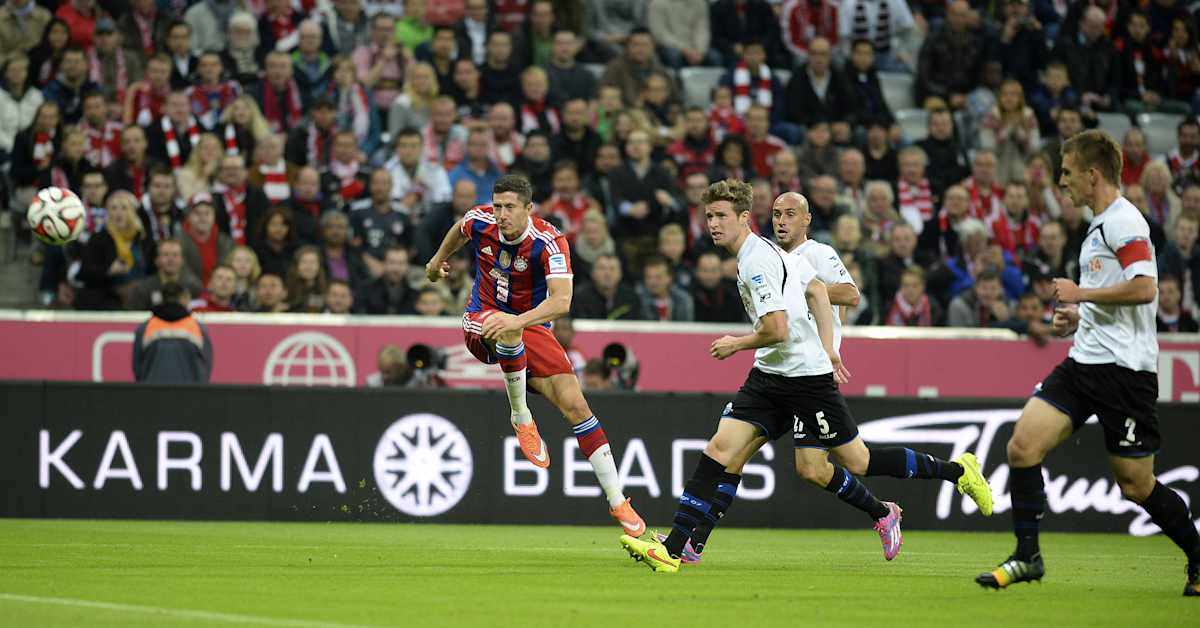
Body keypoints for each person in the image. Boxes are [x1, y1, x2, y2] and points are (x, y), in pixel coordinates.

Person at [620, 179, 991, 572]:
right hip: (769, 375)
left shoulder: (759, 260)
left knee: (857, 461)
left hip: (805, 379)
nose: (713, 224)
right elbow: (814, 290)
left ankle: (957, 472)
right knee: (722, 451)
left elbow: (779, 328)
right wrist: (828, 344)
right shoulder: (771, 254)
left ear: (744, 218)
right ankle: (678, 547)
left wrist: (739, 344)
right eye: (709, 216)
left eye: (721, 216)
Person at [976, 130, 1200, 597]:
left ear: (1092, 174)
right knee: (1022, 447)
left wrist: (1082, 294)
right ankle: (1027, 556)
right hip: (1084, 363)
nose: (1062, 183)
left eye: (1067, 173)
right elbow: (1119, 298)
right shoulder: (1097, 225)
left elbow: (1144, 289)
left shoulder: (1125, 223)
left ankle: (1198, 559)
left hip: (1125, 374)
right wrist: (1080, 316)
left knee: (1136, 485)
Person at [424, 174, 647, 536]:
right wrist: (436, 262)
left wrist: (520, 321)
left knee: (577, 405)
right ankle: (521, 417)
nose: (501, 214)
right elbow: (460, 228)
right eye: (497, 206)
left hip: (528, 325)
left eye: (509, 207)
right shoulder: (480, 220)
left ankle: (617, 500)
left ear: (529, 208)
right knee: (507, 327)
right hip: (479, 322)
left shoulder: (549, 241)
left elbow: (562, 302)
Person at [772, 191, 860, 352]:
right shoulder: (771, 259)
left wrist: (803, 291)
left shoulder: (818, 252)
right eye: (777, 215)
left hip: (814, 362)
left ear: (807, 219)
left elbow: (851, 295)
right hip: (784, 360)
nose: (781, 221)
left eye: (790, 214)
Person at [132, 282, 212, 383]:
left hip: (152, 394)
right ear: (184, 299)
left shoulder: (145, 328)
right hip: (189, 395)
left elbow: (137, 368)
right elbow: (206, 368)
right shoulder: (198, 328)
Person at [125, 237, 202, 311]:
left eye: (175, 255)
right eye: (166, 255)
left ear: (182, 260)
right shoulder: (142, 290)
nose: (171, 259)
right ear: (156, 260)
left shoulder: (193, 288)